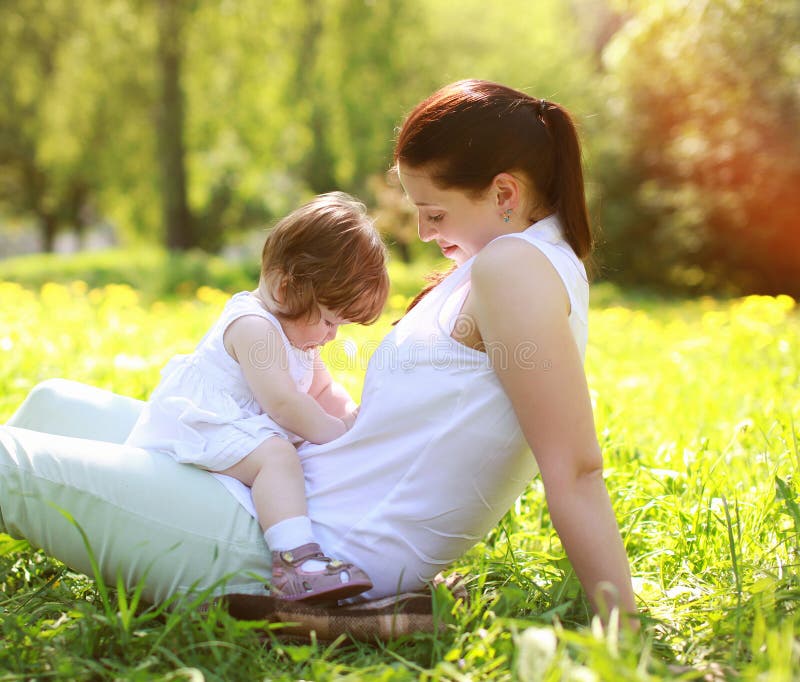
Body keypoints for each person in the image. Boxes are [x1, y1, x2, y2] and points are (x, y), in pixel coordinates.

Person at [0, 79, 636, 625]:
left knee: (11, 460)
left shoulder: (513, 269)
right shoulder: (514, 261)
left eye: (435, 213)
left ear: (504, 194)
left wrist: (625, 630)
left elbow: (576, 467)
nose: (422, 231)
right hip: (289, 493)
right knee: (51, 403)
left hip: (301, 547)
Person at [126, 192, 389, 602]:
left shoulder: (301, 338)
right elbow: (283, 404)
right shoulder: (253, 326)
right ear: (286, 290)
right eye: (326, 320)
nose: (331, 335)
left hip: (232, 432)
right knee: (278, 455)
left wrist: (354, 423)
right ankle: (295, 561)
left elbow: (321, 391)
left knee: (290, 448)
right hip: (197, 429)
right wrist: (336, 433)